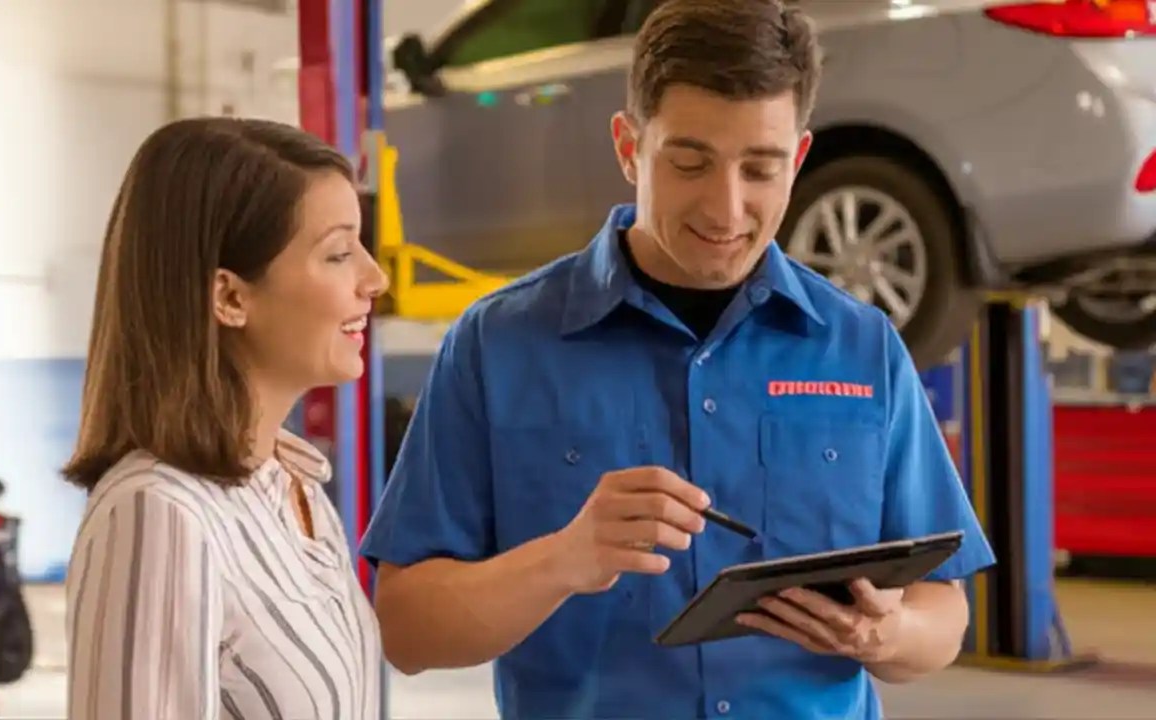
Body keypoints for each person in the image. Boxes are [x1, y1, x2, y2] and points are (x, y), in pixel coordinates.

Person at [359, 1, 996, 718]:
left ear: (801, 159)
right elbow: (407, 628)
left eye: (761, 169)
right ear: (629, 146)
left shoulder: (863, 348)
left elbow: (943, 610)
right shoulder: (499, 345)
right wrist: (563, 560)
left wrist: (888, 633)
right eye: (690, 162)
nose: (726, 210)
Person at [62, 117, 388, 720]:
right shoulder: (160, 514)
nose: (375, 278)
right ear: (230, 297)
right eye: (340, 254)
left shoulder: (298, 491)